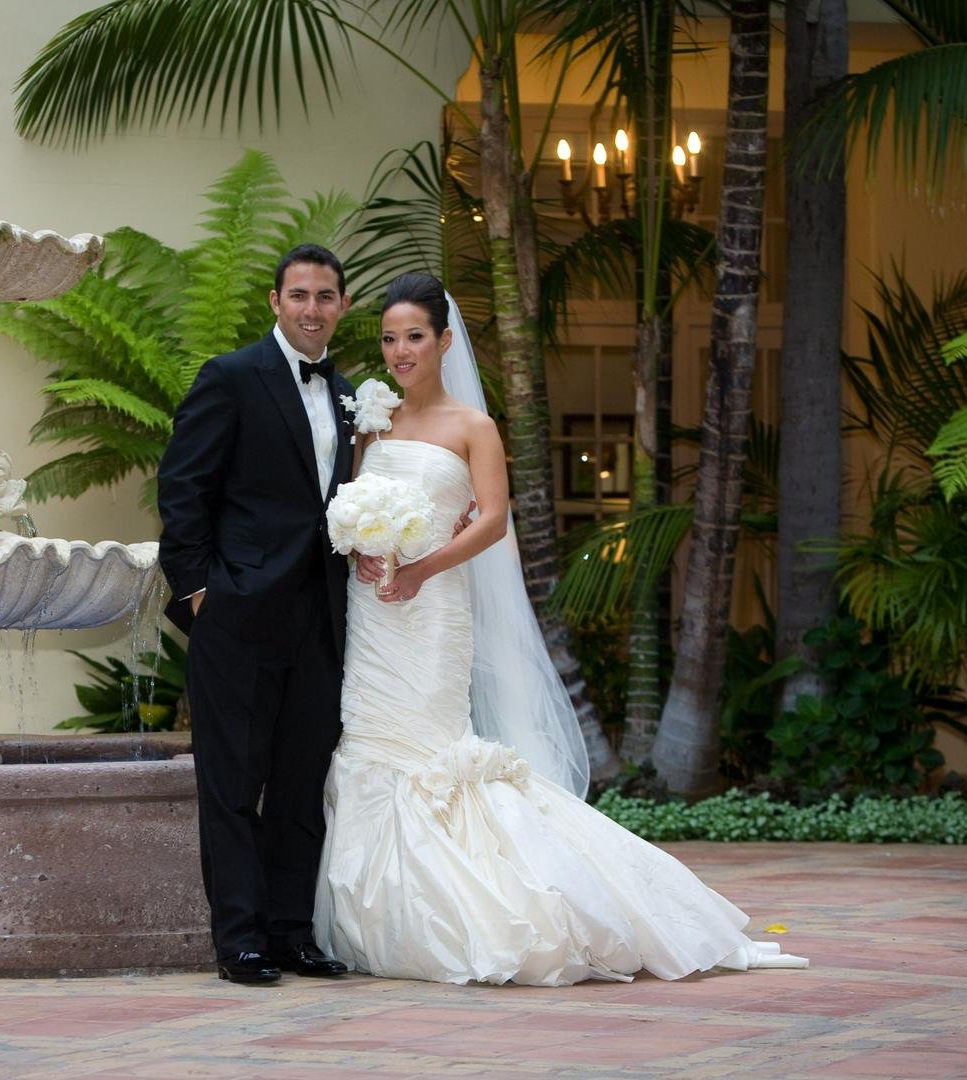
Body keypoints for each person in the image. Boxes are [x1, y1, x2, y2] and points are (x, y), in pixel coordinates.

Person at [315, 272, 808, 985]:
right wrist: (368, 551)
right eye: (390, 338)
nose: (399, 351)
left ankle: (531, 907)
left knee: (431, 755)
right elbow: (359, 504)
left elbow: (491, 520)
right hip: (376, 618)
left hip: (432, 612)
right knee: (366, 745)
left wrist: (425, 566)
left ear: (444, 341)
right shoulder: (375, 418)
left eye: (414, 337)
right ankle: (377, 919)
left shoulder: (472, 427)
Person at [156, 244, 356, 985]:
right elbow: (183, 490)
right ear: (275, 302)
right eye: (299, 295)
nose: (312, 308)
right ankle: (239, 939)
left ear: (342, 306)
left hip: (324, 621)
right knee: (234, 788)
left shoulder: (352, 395)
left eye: (325, 296)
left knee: (302, 786)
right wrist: (200, 593)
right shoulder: (231, 377)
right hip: (238, 614)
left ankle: (291, 933)